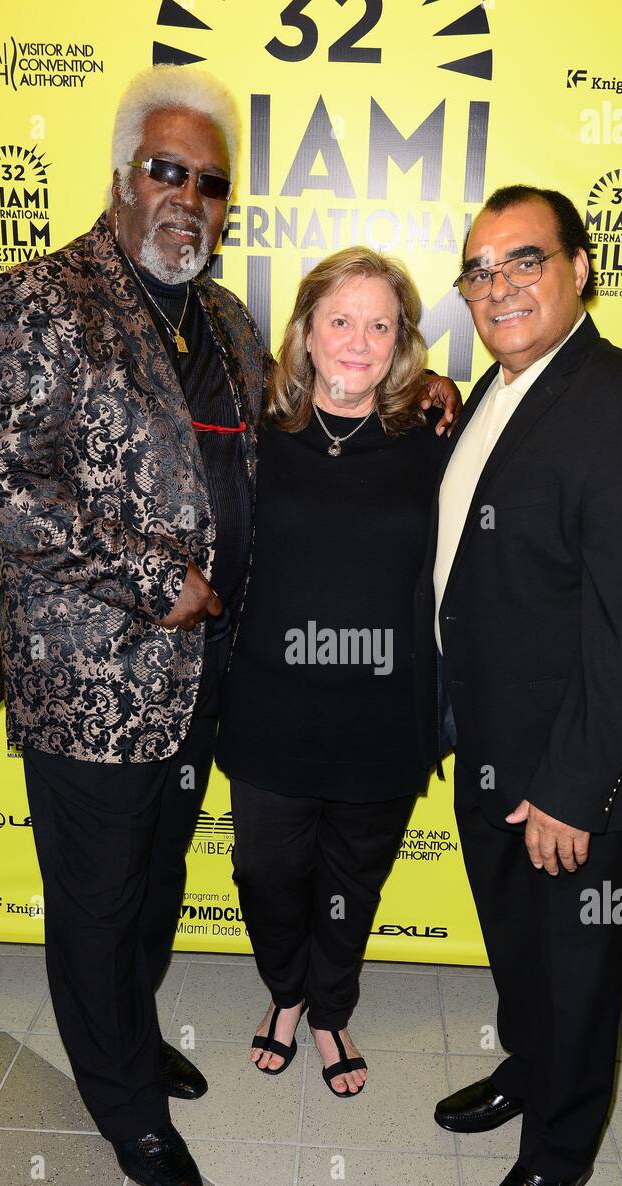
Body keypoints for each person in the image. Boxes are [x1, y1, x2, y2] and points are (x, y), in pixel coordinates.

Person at [0, 64, 461, 1186]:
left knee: (155, 888)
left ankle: (131, 1035)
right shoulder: (40, 298)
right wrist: (149, 578)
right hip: (87, 681)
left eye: (211, 182)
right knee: (94, 898)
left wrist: (431, 398)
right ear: (123, 178)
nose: (188, 196)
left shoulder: (226, 316)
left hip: (203, 687)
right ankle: (120, 1102)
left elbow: (305, 431)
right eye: (166, 170)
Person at [421, 185, 622, 1186]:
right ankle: (529, 1069)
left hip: (585, 770)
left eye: (523, 260)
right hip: (494, 748)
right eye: (480, 269)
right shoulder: (501, 391)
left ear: (580, 267)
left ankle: (561, 1148)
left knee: (579, 969)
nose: (499, 285)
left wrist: (573, 788)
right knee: (521, 951)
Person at [215, 248, 451, 1096]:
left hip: (383, 715)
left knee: (354, 879)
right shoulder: (250, 434)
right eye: (340, 320)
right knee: (267, 874)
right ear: (305, 335)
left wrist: (443, 393)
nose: (358, 340)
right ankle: (285, 992)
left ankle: (328, 1010)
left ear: (402, 343)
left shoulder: (431, 440)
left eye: (379, 324)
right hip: (271, 710)